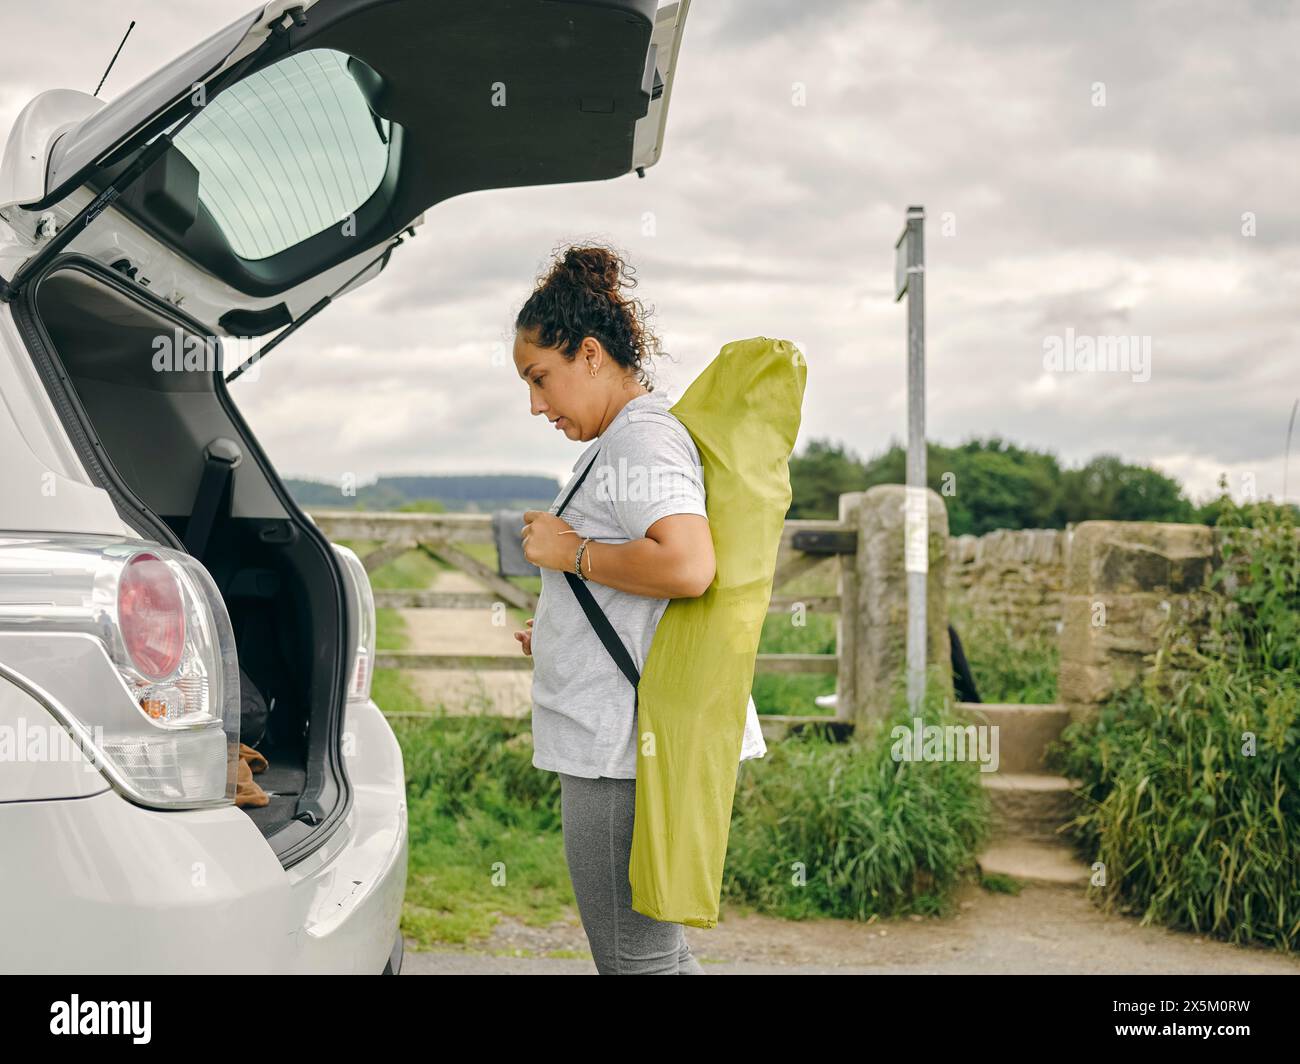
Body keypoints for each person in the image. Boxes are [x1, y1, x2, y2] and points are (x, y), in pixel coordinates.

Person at [512, 243, 713, 974]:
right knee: (653, 957)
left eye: (541, 378)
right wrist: (565, 623)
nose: (536, 404)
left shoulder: (641, 440)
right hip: (622, 740)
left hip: (619, 753)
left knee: (636, 962)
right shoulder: (625, 442)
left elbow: (687, 564)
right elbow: (644, 587)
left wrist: (571, 557)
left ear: (590, 354)